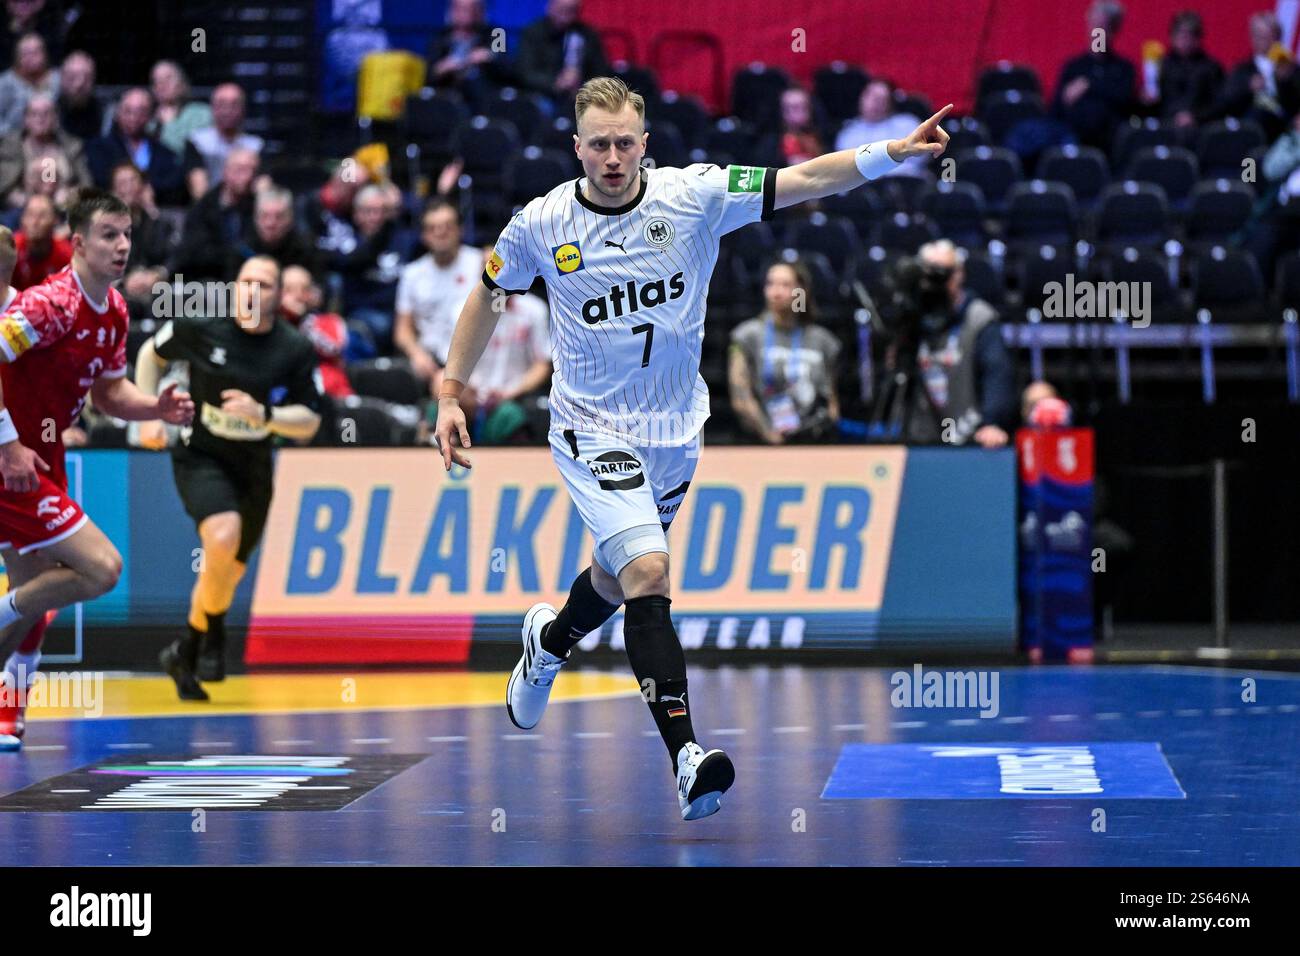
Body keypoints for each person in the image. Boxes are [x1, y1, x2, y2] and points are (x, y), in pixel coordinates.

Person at [434, 76, 950, 819]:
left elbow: (804, 179)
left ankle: (549, 640)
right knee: (649, 569)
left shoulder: (695, 194)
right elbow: (489, 294)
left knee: (616, 579)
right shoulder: (542, 223)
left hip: (676, 430)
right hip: (591, 427)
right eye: (599, 145)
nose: (613, 157)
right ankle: (687, 756)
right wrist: (451, 391)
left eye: (625, 143)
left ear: (645, 143)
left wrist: (889, 153)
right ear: (576, 148)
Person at [0, 191, 194, 748]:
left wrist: (155, 408)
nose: (123, 245)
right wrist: (9, 445)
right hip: (12, 457)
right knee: (101, 568)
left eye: (127, 234)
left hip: (42, 456)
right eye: (110, 235)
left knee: (33, 596)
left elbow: (109, 395)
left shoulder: (114, 311)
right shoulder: (48, 305)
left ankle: (8, 712)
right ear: (80, 244)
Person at [134, 255, 322, 700]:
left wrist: (266, 415)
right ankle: (212, 633)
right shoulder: (202, 326)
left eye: (265, 285)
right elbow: (149, 355)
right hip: (201, 454)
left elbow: (310, 421)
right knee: (222, 535)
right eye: (246, 282)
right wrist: (149, 413)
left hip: (253, 466)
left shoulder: (294, 348)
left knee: (226, 571)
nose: (253, 292)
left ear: (279, 296)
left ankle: (187, 650)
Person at [890, 239, 1016, 447]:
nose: (934, 282)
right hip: (921, 438)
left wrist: (993, 421)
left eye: (941, 273)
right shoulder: (913, 318)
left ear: (959, 274)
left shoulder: (979, 318)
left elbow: (997, 374)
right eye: (928, 274)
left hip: (970, 435)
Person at [729, 258, 841, 444]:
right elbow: (741, 399)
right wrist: (770, 436)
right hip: (762, 442)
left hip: (812, 442)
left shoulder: (824, 340)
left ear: (801, 292)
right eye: (770, 284)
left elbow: (832, 403)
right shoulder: (747, 335)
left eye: (785, 285)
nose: (776, 292)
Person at [393, 199, 483, 395]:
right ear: (424, 236)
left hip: (476, 359)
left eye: (447, 226)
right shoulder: (412, 274)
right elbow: (402, 330)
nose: (440, 233)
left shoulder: (480, 263)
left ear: (460, 230)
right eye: (432, 228)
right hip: (430, 360)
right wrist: (416, 354)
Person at [1051, 1, 1135, 152]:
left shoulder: (1123, 69)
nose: (1095, 33)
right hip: (1071, 140)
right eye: (1093, 25)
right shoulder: (1073, 67)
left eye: (1101, 28)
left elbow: (1125, 102)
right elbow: (1055, 109)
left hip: (1109, 143)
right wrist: (1066, 97)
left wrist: (1089, 85)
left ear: (1113, 31)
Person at [1204, 11, 1300, 141]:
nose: (1261, 41)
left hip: (1283, 127)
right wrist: (1248, 88)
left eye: (1267, 36)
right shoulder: (1243, 70)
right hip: (1249, 125)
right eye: (1257, 35)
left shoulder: (1290, 68)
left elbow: (1293, 102)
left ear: (1277, 38)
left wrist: (1284, 82)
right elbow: (1224, 103)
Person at [171, 147, 259, 282]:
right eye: (241, 170)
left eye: (253, 170)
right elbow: (194, 253)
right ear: (226, 172)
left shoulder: (259, 206)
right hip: (209, 279)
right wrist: (233, 255)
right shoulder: (203, 208)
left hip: (251, 277)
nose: (248, 176)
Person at [85, 87, 184, 205]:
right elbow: (99, 179)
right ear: (118, 113)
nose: (133, 117)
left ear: (150, 116)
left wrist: (147, 189)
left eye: (141, 112)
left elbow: (174, 182)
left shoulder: (164, 152)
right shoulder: (99, 147)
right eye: (128, 111)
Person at [0, 93, 91, 210]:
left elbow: (87, 184)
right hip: (20, 210)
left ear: (55, 118)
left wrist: (70, 196)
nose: (40, 119)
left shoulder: (72, 146)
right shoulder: (10, 146)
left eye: (46, 114)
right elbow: (4, 185)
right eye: (34, 114)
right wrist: (20, 200)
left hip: (65, 209)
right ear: (26, 119)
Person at [279, 264, 353, 399]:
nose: (298, 295)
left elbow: (333, 349)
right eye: (289, 289)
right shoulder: (271, 324)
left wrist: (303, 321)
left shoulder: (329, 321)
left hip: (334, 397)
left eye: (304, 289)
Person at [516, 0, 609, 107]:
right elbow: (525, 72)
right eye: (562, 10)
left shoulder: (588, 35)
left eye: (571, 11)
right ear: (550, 8)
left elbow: (601, 72)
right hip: (543, 93)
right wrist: (556, 83)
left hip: (581, 94)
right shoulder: (533, 33)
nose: (565, 17)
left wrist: (582, 86)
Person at [182, 83, 264, 202]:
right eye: (222, 104)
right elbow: (199, 191)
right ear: (212, 108)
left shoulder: (256, 146)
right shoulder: (197, 142)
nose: (227, 110)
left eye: (234, 104)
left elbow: (263, 187)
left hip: (247, 206)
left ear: (243, 109)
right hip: (209, 207)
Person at [834, 79, 926, 177]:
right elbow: (847, 167)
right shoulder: (849, 133)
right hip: (865, 184)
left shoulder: (908, 124)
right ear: (861, 98)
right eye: (873, 97)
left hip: (905, 179)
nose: (877, 103)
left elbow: (921, 156)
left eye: (883, 99)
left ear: (891, 103)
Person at [1155, 11, 1223, 128]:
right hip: (1166, 126)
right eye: (1180, 34)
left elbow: (1219, 104)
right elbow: (1155, 103)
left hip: (1201, 127)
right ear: (1172, 36)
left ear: (1198, 38)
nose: (1185, 40)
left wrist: (1195, 116)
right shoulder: (1161, 66)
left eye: (1190, 35)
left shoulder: (1211, 68)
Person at [240, 185, 320, 276]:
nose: (270, 224)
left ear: (290, 219)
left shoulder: (307, 252)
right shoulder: (241, 251)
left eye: (279, 217)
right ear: (255, 218)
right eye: (264, 216)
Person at [149, 60, 211, 158]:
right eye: (157, 80)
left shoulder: (202, 114)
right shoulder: (148, 119)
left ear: (182, 83)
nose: (162, 85)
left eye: (168, 78)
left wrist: (169, 124)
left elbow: (183, 154)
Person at [0, 32, 57, 136]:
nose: (30, 57)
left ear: (45, 54)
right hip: (12, 140)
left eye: (35, 52)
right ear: (17, 57)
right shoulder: (5, 83)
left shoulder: (57, 79)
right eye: (25, 53)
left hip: (55, 139)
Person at [11, 191, 67, 288]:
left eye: (42, 216)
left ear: (55, 221)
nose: (35, 222)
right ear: (22, 219)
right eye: (30, 215)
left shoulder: (66, 255)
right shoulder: (10, 249)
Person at [55, 50, 102, 142]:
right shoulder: (50, 111)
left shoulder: (105, 113)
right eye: (72, 78)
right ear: (62, 79)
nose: (79, 84)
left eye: (86, 78)